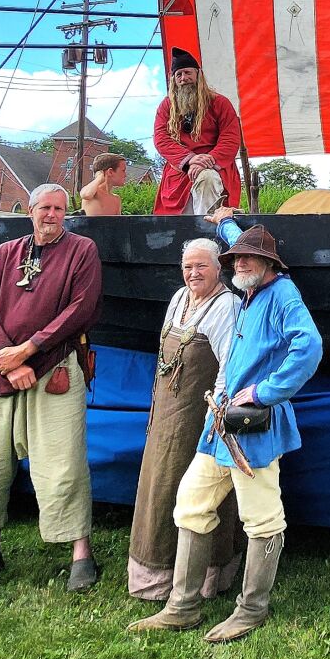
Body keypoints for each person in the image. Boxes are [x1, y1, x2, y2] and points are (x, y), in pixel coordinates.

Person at [129, 224, 321, 643]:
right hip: (220, 427)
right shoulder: (251, 293)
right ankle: (182, 607)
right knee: (192, 505)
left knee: (262, 518)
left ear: (270, 264)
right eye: (235, 257)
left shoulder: (283, 295)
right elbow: (241, 241)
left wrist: (267, 391)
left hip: (252, 429)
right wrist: (224, 222)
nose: (239, 263)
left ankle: (252, 609)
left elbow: (309, 346)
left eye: (248, 258)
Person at [0, 184, 103, 593]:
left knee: (63, 464)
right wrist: (7, 360)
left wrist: (30, 349)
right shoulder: (3, 254)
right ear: (30, 211)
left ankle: (81, 553)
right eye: (45, 207)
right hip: (2, 375)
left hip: (55, 370)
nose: (52, 214)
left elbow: (81, 307)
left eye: (60, 208)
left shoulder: (82, 250)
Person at [127, 237, 244, 601]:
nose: (193, 273)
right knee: (158, 486)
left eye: (201, 266)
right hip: (165, 412)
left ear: (218, 268)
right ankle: (152, 577)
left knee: (195, 493)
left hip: (199, 416)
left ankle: (206, 577)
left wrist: (217, 418)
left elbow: (230, 366)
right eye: (188, 266)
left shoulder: (227, 307)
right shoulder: (179, 298)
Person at [154, 47, 243, 216]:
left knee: (207, 178)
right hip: (180, 172)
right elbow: (161, 138)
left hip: (215, 167)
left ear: (198, 75)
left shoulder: (220, 103)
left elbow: (230, 138)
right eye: (178, 75)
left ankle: (206, 236)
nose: (183, 78)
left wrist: (208, 160)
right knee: (180, 227)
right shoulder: (167, 106)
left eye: (187, 73)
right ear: (173, 80)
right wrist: (191, 160)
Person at [81, 152, 128, 217]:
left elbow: (118, 224)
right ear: (110, 172)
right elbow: (86, 195)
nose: (125, 175)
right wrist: (99, 177)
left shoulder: (116, 199)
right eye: (123, 170)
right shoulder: (93, 193)